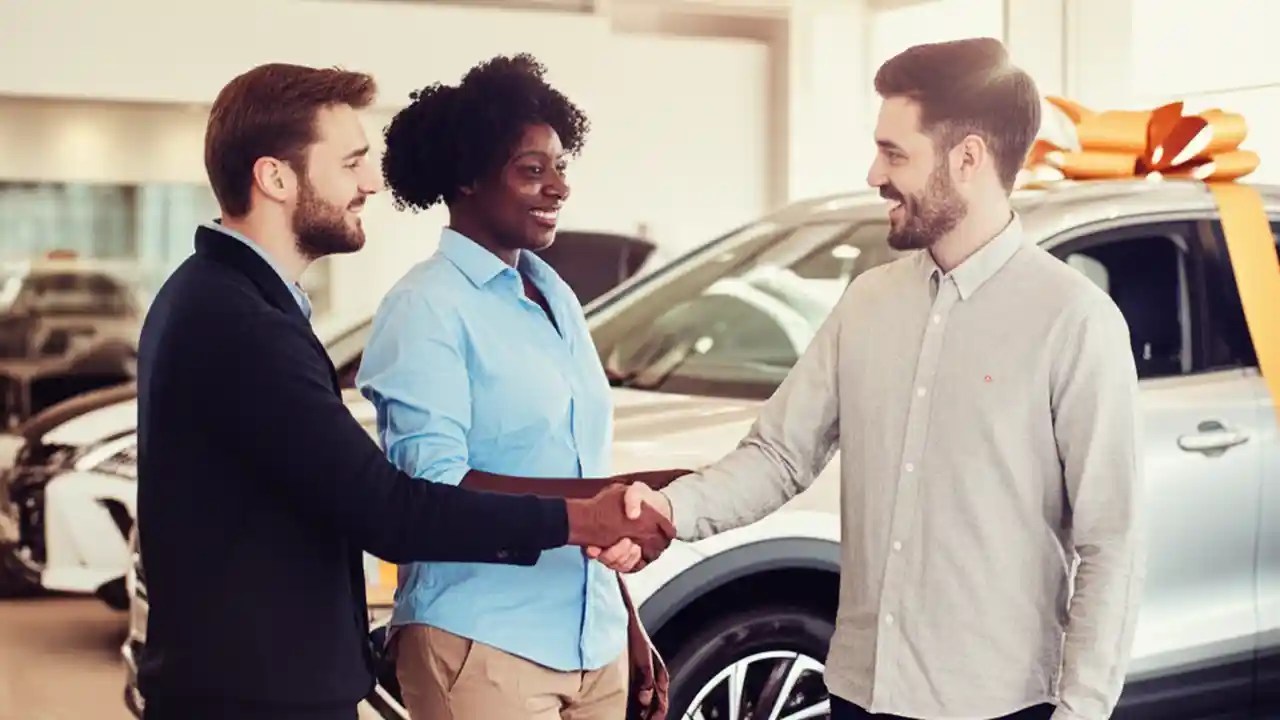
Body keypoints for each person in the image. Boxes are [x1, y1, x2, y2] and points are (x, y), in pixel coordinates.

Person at [603, 37, 1147, 720]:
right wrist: (671, 510)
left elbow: (1111, 542)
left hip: (998, 706)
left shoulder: (1073, 321)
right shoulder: (868, 303)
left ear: (968, 157)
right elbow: (779, 456)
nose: (873, 173)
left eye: (895, 153)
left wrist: (1083, 710)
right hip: (859, 692)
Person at [134, 62, 675, 720]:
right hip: (260, 693)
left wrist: (615, 604)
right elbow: (388, 509)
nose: (370, 182)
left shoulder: (235, 301)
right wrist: (585, 516)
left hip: (274, 682)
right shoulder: (240, 321)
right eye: (352, 162)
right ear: (275, 177)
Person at [355, 54, 687, 720]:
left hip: (591, 646)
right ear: (467, 179)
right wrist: (600, 504)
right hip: (483, 644)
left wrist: (623, 620)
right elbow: (432, 492)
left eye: (561, 166)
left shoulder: (553, 292)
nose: (558, 188)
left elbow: (575, 468)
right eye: (532, 170)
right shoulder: (426, 307)